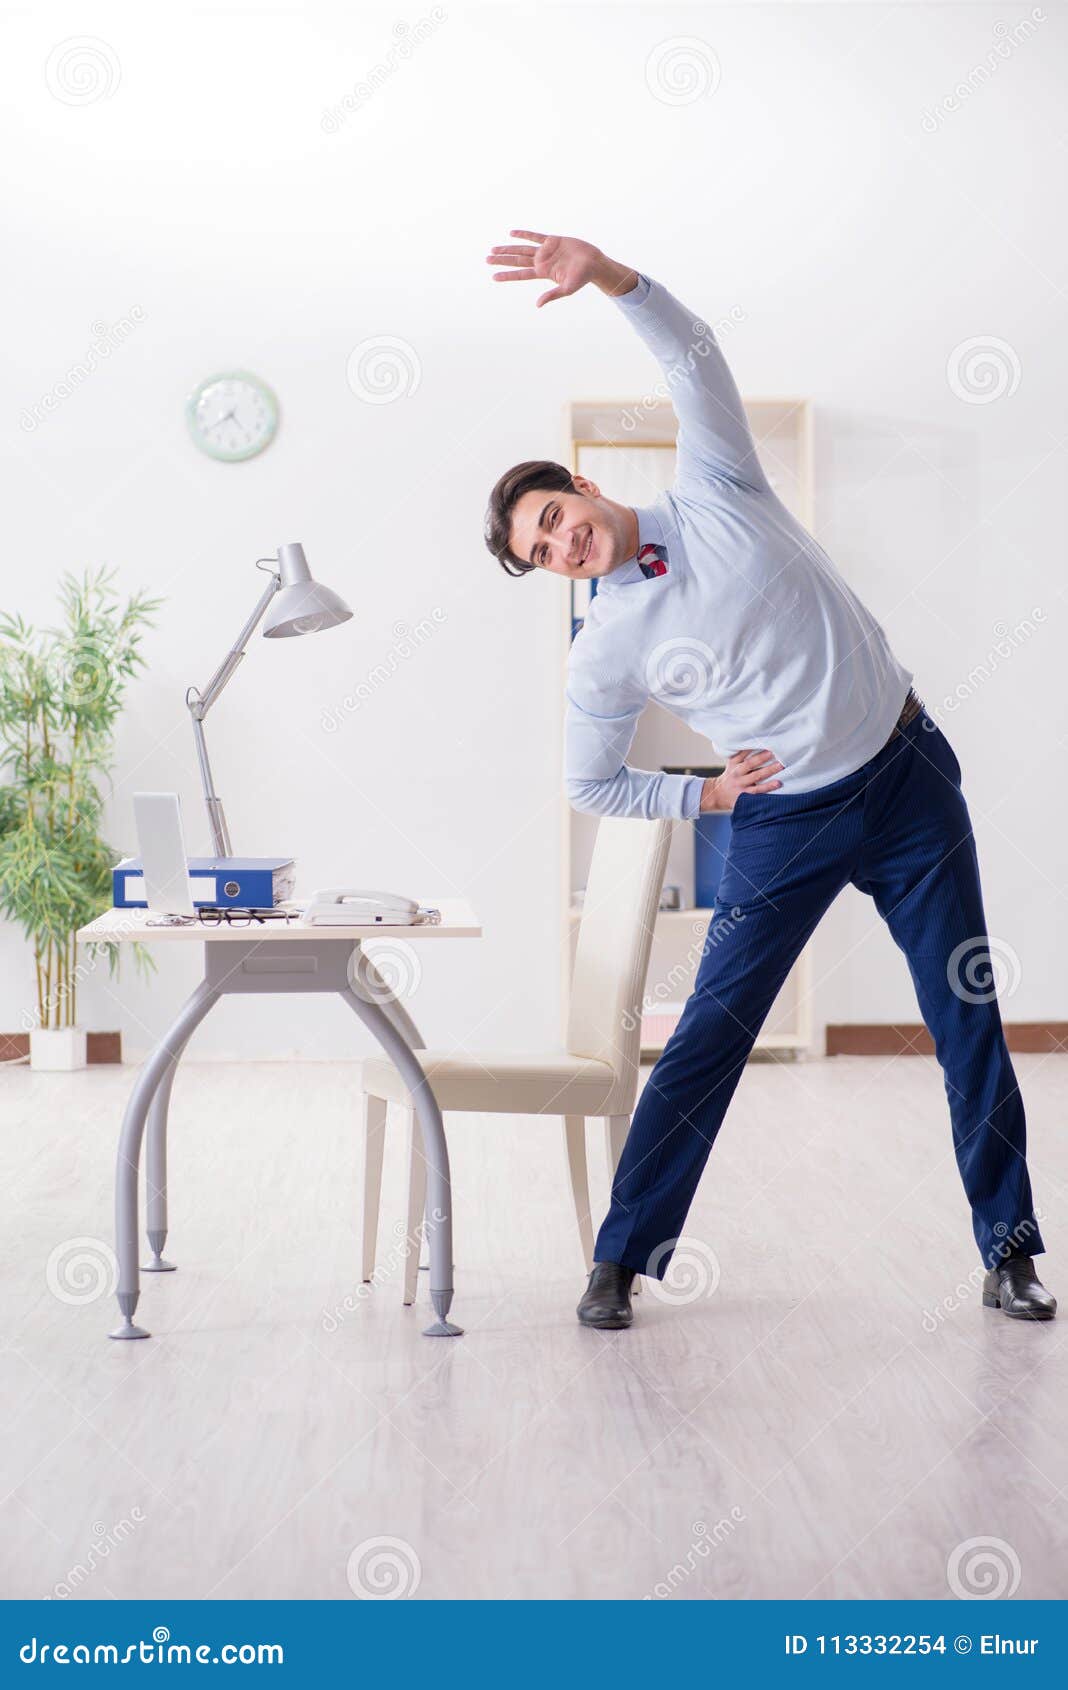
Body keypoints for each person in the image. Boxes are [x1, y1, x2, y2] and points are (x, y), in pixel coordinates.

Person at [484, 230, 1055, 1331]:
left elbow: (692, 354)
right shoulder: (603, 649)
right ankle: (621, 1258)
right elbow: (590, 782)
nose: (565, 545)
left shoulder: (716, 484)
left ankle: (1011, 1252)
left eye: (556, 518)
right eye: (543, 552)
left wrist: (609, 277)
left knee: (966, 1010)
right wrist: (702, 796)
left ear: (584, 487)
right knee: (709, 1035)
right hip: (785, 824)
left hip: (908, 780)